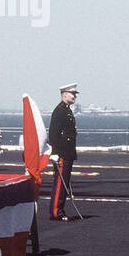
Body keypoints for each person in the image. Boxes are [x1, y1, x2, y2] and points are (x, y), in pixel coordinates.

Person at [47, 83, 79, 220]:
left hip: (68, 152)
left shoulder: (67, 110)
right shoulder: (59, 111)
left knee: (64, 181)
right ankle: (56, 212)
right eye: (72, 93)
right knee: (60, 182)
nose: (75, 96)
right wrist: (54, 152)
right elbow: (53, 133)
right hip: (61, 153)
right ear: (64, 94)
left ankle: (60, 209)